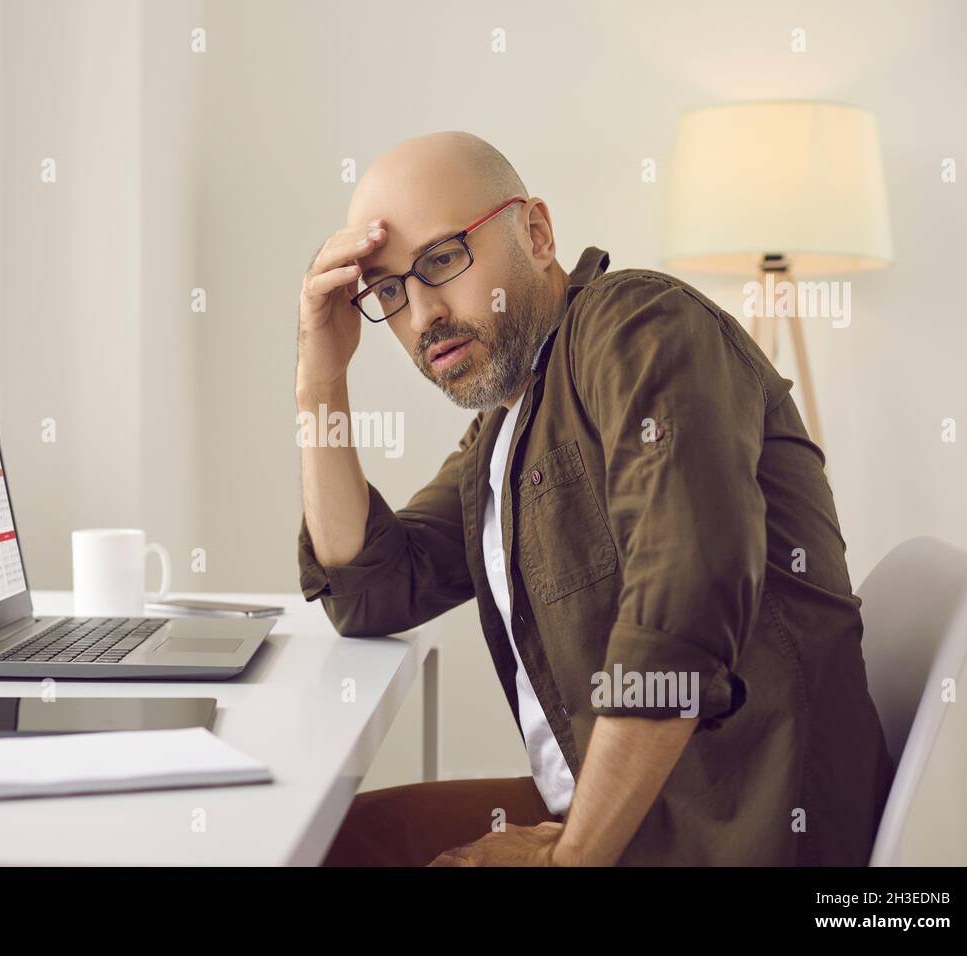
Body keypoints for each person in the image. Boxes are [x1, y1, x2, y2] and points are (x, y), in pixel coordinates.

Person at [294, 130, 894, 866]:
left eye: (442, 260)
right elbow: (371, 591)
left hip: (728, 833)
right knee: (331, 840)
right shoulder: (505, 428)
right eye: (390, 290)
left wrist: (569, 858)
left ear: (537, 233)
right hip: (610, 817)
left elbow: (685, 594)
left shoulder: (640, 325)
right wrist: (319, 380)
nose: (421, 317)